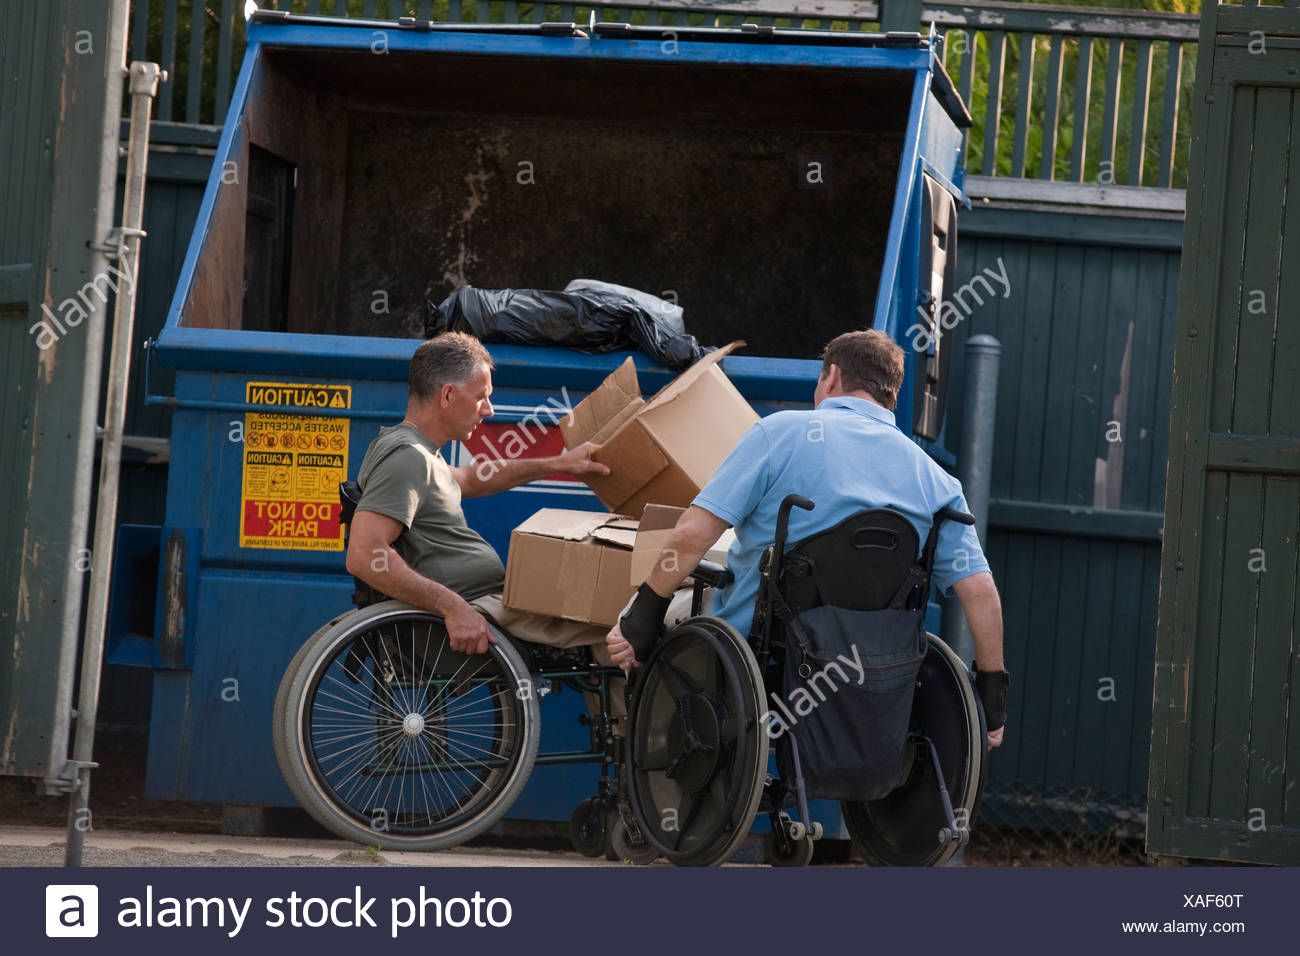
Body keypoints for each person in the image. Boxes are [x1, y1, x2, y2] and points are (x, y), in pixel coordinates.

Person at [607, 329, 1009, 748]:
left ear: (831, 376)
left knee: (627, 627)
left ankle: (644, 784)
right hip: (871, 664)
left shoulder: (778, 434)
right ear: (891, 394)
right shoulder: (938, 481)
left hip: (760, 651)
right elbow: (981, 591)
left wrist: (642, 619)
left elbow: (691, 534)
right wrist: (992, 695)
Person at [345, 331, 613, 655]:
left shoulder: (421, 452)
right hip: (482, 609)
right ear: (446, 396)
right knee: (620, 625)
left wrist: (560, 463)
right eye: (480, 397)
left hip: (491, 601)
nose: (488, 410)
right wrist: (453, 608)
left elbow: (473, 478)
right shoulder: (407, 458)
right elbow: (364, 555)